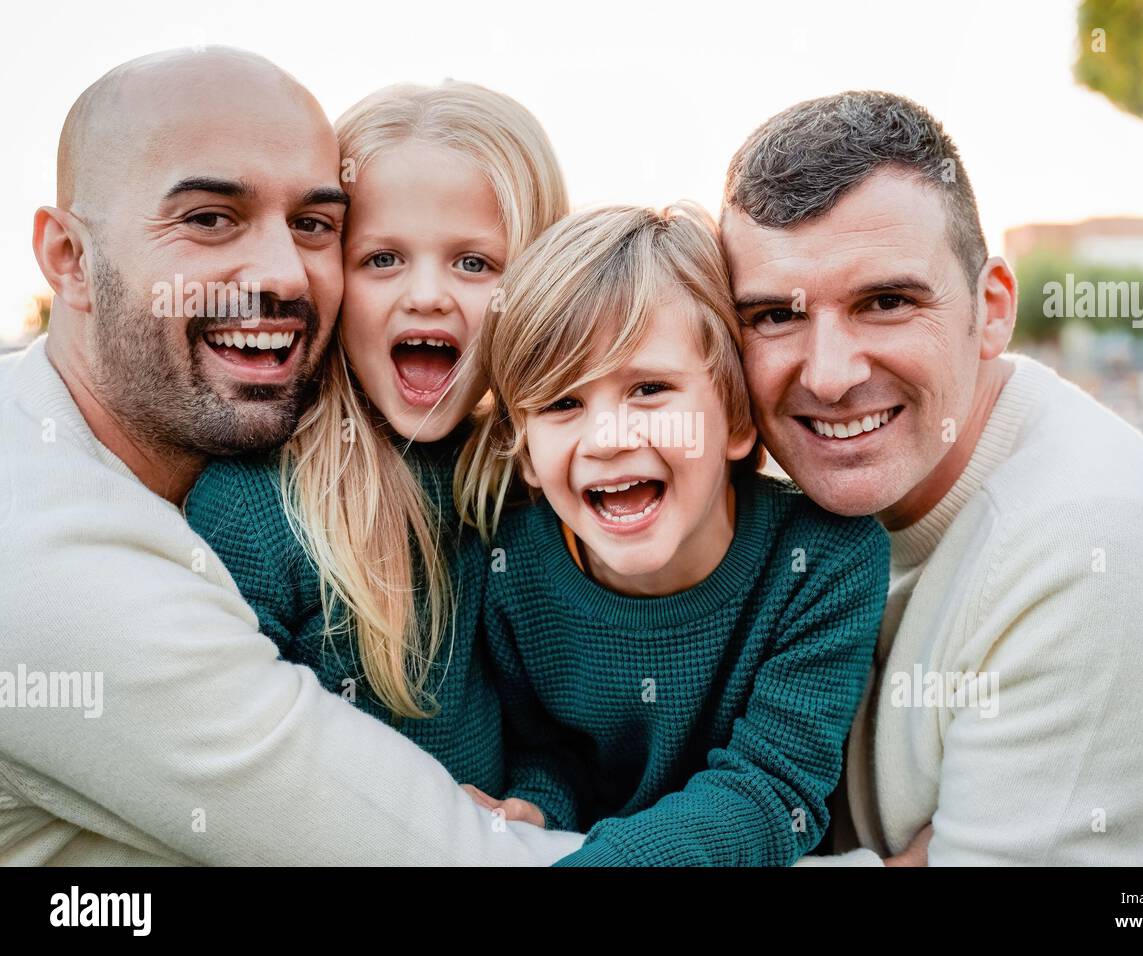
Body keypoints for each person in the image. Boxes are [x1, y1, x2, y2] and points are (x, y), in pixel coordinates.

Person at [0, 47, 581, 865]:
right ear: (69, 259)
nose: (284, 276)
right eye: (208, 217)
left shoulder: (493, 483)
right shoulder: (46, 567)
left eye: (313, 226)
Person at [720, 90, 1143, 865]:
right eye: (773, 316)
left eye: (887, 302)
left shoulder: (1096, 547)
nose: (828, 376)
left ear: (992, 309)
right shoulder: (777, 524)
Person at [456, 203, 890, 865]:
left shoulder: (824, 560)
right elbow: (554, 753)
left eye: (650, 389)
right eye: (563, 403)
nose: (608, 438)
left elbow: (771, 791)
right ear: (526, 454)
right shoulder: (514, 568)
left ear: (739, 423)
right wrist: (538, 805)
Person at [186, 81, 569, 800]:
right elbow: (231, 770)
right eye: (383, 260)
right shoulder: (256, 510)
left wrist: (537, 807)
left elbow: (556, 733)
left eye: (474, 263)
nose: (426, 295)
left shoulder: (528, 487)